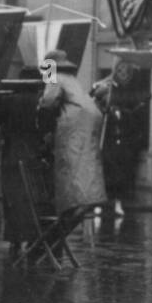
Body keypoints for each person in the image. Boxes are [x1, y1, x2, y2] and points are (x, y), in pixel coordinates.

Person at [36, 49, 107, 237]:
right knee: (84, 163)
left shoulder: (53, 75)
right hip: (91, 118)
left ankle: (72, 202)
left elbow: (49, 100)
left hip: (75, 121)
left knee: (68, 160)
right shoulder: (72, 79)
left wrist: (40, 105)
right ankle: (87, 198)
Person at [0, 69, 48, 262]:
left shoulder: (9, 101)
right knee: (31, 200)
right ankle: (31, 237)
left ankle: (14, 240)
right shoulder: (40, 102)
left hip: (11, 157)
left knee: (12, 201)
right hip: (33, 156)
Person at [91, 61, 148, 216]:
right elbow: (95, 102)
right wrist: (104, 106)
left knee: (121, 175)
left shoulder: (132, 91)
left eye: (126, 71)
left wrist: (123, 113)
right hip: (107, 139)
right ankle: (100, 203)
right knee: (105, 173)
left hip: (124, 140)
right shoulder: (108, 87)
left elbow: (137, 112)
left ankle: (118, 203)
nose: (123, 74)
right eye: (120, 70)